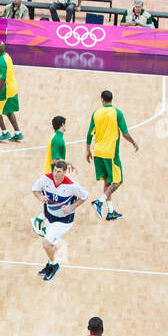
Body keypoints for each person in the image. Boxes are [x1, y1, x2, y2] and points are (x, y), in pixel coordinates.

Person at [31, 157, 90, 281]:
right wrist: (40, 197)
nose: (55, 174)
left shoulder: (72, 185)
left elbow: (85, 196)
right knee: (49, 244)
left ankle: (54, 265)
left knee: (46, 243)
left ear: (64, 172)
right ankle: (49, 264)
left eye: (59, 172)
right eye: (55, 170)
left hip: (63, 221)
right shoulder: (46, 178)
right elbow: (35, 190)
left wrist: (71, 207)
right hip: (49, 217)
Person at [86, 89, 139, 221]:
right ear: (111, 99)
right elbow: (125, 133)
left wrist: (88, 150)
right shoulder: (117, 113)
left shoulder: (96, 113)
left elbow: (89, 134)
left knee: (108, 182)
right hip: (110, 154)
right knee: (118, 181)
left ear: (102, 100)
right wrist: (133, 142)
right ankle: (99, 201)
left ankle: (111, 212)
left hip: (98, 153)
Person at [0, 41, 23, 143]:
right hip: (13, 87)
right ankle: (18, 133)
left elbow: (3, 79)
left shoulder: (1, 62)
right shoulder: (6, 56)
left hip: (6, 90)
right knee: (9, 111)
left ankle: (4, 133)